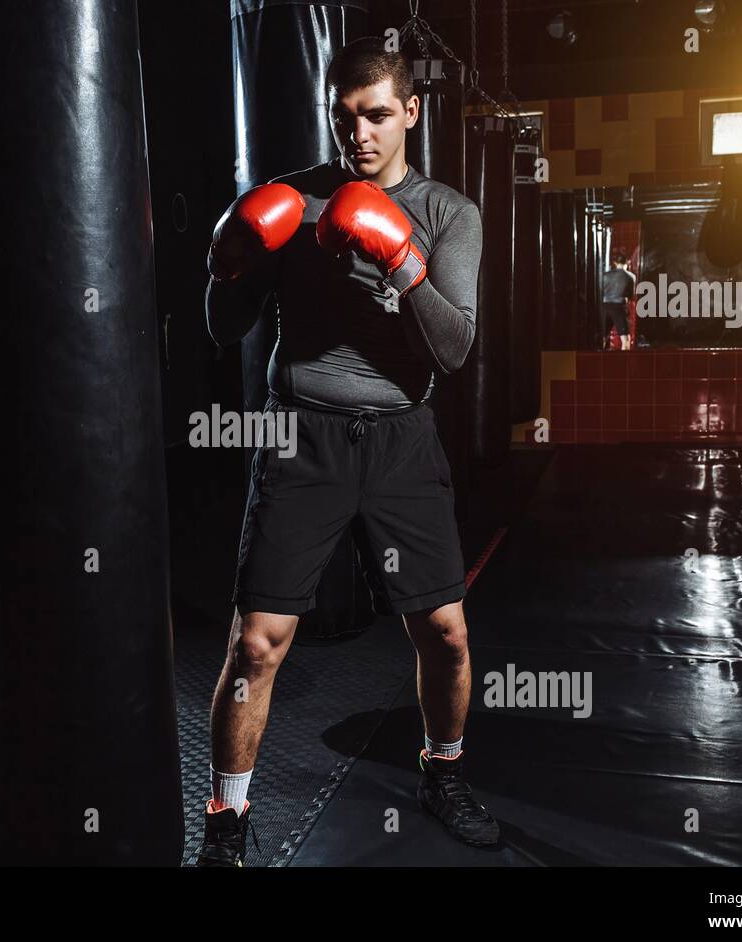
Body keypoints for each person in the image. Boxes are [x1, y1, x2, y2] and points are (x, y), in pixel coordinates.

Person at [196, 37, 498, 867]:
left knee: (445, 634)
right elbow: (224, 329)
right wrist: (226, 264)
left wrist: (400, 261)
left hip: (401, 439)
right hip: (303, 434)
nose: (357, 134)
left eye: (374, 115)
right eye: (343, 117)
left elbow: (454, 350)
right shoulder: (292, 202)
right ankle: (226, 823)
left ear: (410, 111)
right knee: (255, 642)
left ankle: (443, 772)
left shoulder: (448, 214)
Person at [601, 252, 635, 350]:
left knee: (602, 337)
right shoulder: (630, 276)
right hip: (619, 307)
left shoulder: (605, 275)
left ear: (615, 263)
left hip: (604, 306)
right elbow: (630, 296)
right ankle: (624, 363)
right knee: (626, 339)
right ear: (627, 262)